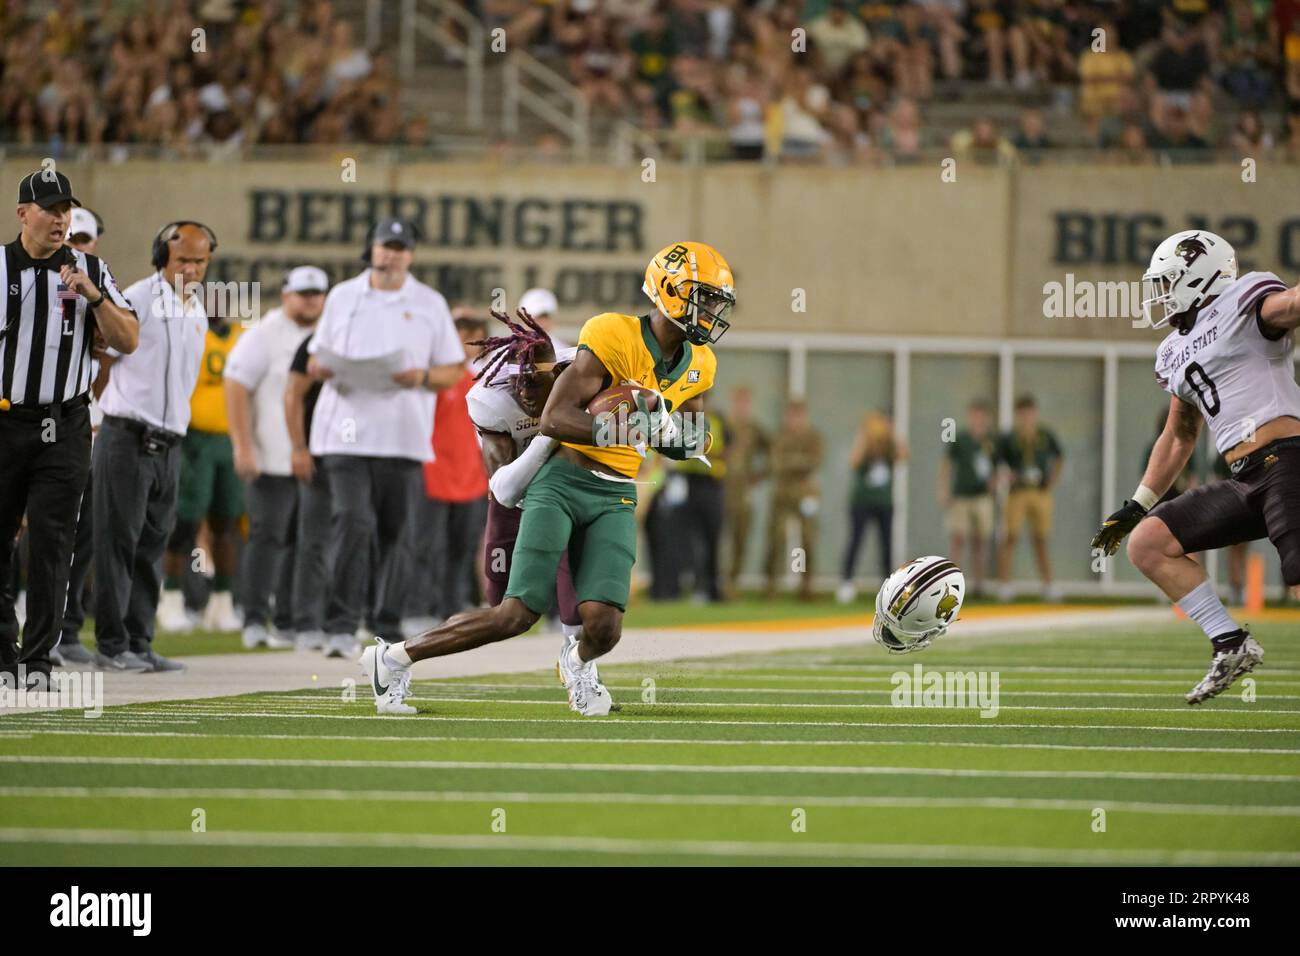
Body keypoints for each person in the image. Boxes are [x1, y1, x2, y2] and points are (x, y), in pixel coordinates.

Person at [361, 241, 733, 716]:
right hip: (562, 481)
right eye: (707, 299)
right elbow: (557, 417)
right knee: (515, 614)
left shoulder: (701, 362)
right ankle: (391, 658)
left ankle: (575, 663)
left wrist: (666, 432)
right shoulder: (612, 333)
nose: (713, 312)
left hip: (616, 493)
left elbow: (697, 438)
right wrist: (631, 426)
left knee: (604, 628)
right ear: (671, 291)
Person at [1093, 229, 1300, 703]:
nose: (1161, 294)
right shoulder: (1172, 349)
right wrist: (1136, 506)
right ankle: (1230, 642)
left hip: (1287, 459)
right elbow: (1179, 435)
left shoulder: (1244, 301)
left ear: (1199, 274)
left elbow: (1287, 307)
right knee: (1149, 543)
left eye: (1168, 281)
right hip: (1245, 477)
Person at [0, 171, 137, 688]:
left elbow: (129, 339)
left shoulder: (91, 267)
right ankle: (1, 654)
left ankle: (37, 660)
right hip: (5, 417)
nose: (60, 219)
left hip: (65, 420)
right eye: (50, 209)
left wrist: (95, 298)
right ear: (23, 214)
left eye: (66, 210)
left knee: (53, 543)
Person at [307, 218, 465, 659]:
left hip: (402, 436)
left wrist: (422, 375)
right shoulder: (343, 296)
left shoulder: (429, 303)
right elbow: (318, 354)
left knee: (397, 533)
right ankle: (339, 625)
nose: (390, 254)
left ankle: (385, 623)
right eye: (383, 246)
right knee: (353, 523)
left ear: (410, 254)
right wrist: (321, 366)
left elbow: (452, 369)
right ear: (371, 248)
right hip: (345, 434)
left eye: (399, 247)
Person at [93, 220, 215, 672]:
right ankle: (110, 645)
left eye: (200, 260)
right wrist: (109, 406)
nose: (192, 268)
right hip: (126, 435)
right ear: (162, 257)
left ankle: (140, 641)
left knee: (152, 545)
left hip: (170, 442)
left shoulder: (197, 309)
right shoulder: (137, 297)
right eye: (183, 259)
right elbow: (101, 354)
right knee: (117, 545)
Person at [224, 266, 327, 649]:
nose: (311, 299)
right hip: (271, 456)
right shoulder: (265, 333)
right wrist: (243, 444)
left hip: (315, 462)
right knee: (268, 539)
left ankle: (291, 620)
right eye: (303, 293)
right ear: (286, 295)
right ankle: (253, 617)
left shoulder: (327, 333)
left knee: (307, 542)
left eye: (316, 293)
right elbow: (236, 385)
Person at [465, 310, 582, 644]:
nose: (526, 393)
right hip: (513, 490)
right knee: (502, 610)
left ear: (559, 376)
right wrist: (551, 432)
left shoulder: (576, 374)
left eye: (535, 383)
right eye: (518, 383)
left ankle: (575, 657)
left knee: (577, 600)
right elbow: (503, 490)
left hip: (560, 487)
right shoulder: (490, 401)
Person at [156, 300, 245, 634]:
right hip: (193, 437)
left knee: (226, 520)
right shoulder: (185, 332)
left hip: (230, 439)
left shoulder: (242, 336)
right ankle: (171, 597)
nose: (217, 305)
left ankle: (222, 601)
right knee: (187, 519)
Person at [405, 315, 490, 631]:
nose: (468, 344)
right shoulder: (430, 382)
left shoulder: (478, 382)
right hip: (432, 472)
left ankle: (452, 608)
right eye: (462, 335)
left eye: (475, 337)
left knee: (462, 546)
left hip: (471, 476)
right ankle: (417, 608)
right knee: (426, 545)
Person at [54, 205, 109, 667]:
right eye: (70, 239)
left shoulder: (101, 292)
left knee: (81, 536)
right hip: (25, 426)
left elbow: (121, 352)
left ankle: (67, 629)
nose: (76, 248)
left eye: (84, 240)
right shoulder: (20, 282)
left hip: (85, 431)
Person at [996, 394, 1063, 602]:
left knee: (1041, 538)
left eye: (1030, 413)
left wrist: (1051, 481)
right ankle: (1005, 584)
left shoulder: (1044, 435)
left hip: (1039, 491)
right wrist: (1007, 476)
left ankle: (1048, 584)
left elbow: (1059, 457)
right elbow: (997, 462)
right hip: (1017, 492)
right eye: (1023, 414)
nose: (1027, 418)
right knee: (1011, 536)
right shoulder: (1010, 438)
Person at [838, 409, 906, 603]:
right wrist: (864, 436)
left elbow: (904, 454)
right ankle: (846, 582)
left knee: (886, 545)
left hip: (884, 503)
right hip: (861, 502)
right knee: (856, 541)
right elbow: (854, 461)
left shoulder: (889, 447)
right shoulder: (865, 446)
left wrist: (891, 433)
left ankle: (888, 586)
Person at [764, 399, 823, 601]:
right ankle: (771, 585)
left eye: (798, 415)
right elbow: (776, 463)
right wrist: (798, 461)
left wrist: (793, 461)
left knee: (807, 540)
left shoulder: (812, 437)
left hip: (806, 494)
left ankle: (806, 586)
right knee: (776, 538)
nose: (794, 420)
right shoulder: (779, 436)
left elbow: (815, 461)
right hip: (782, 494)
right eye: (791, 415)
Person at [938, 398, 997, 596]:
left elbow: (998, 468)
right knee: (958, 538)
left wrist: (995, 484)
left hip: (982, 496)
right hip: (961, 496)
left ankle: (979, 585)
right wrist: (943, 490)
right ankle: (953, 584)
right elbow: (946, 464)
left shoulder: (991, 441)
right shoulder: (960, 439)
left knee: (980, 541)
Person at [721, 386, 768, 597]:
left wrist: (758, 476)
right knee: (719, 539)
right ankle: (716, 583)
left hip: (742, 493)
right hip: (721, 489)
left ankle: (733, 582)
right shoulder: (722, 425)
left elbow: (773, 452)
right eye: (738, 401)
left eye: (745, 402)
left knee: (740, 537)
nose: (742, 406)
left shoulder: (754, 429)